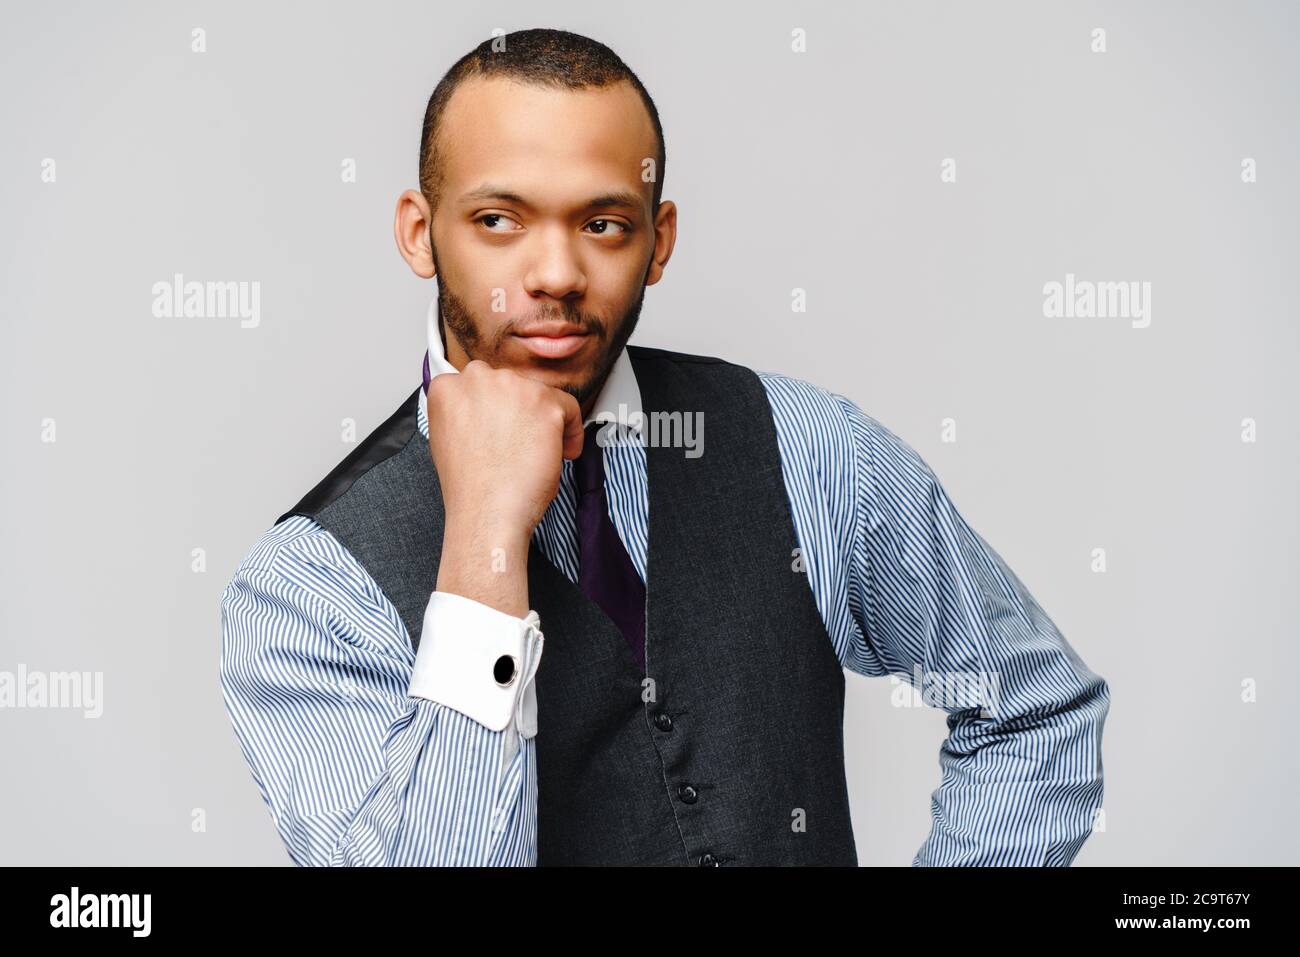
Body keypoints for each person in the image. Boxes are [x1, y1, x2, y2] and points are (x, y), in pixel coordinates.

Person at [219, 27, 1109, 866]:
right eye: (499, 220)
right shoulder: (307, 588)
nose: (557, 273)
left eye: (603, 223)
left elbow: (1036, 707)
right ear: (420, 232)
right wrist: (484, 536)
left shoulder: (810, 448)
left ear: (659, 240)